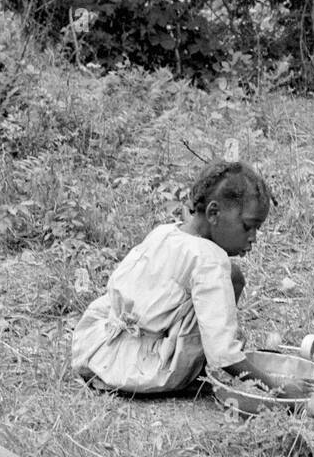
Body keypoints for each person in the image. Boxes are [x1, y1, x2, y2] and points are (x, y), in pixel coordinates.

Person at [72, 161, 271, 395]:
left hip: (101, 350)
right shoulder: (210, 260)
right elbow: (223, 354)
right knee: (232, 277)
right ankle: (195, 373)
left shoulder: (165, 232)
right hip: (149, 371)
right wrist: (276, 386)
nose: (254, 238)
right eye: (249, 226)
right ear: (213, 213)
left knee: (230, 276)